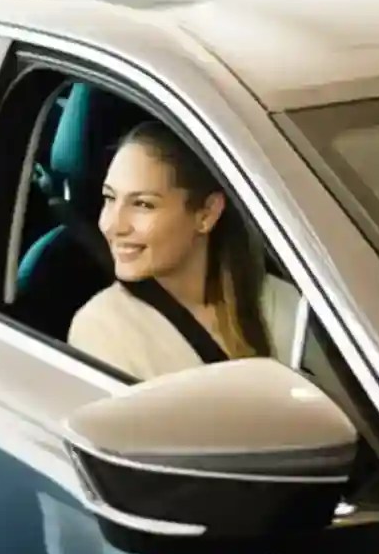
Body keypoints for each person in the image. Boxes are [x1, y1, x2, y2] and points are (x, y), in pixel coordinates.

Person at [68, 120, 299, 381]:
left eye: (143, 204)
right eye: (109, 198)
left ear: (207, 213)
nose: (112, 225)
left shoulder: (284, 305)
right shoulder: (103, 329)